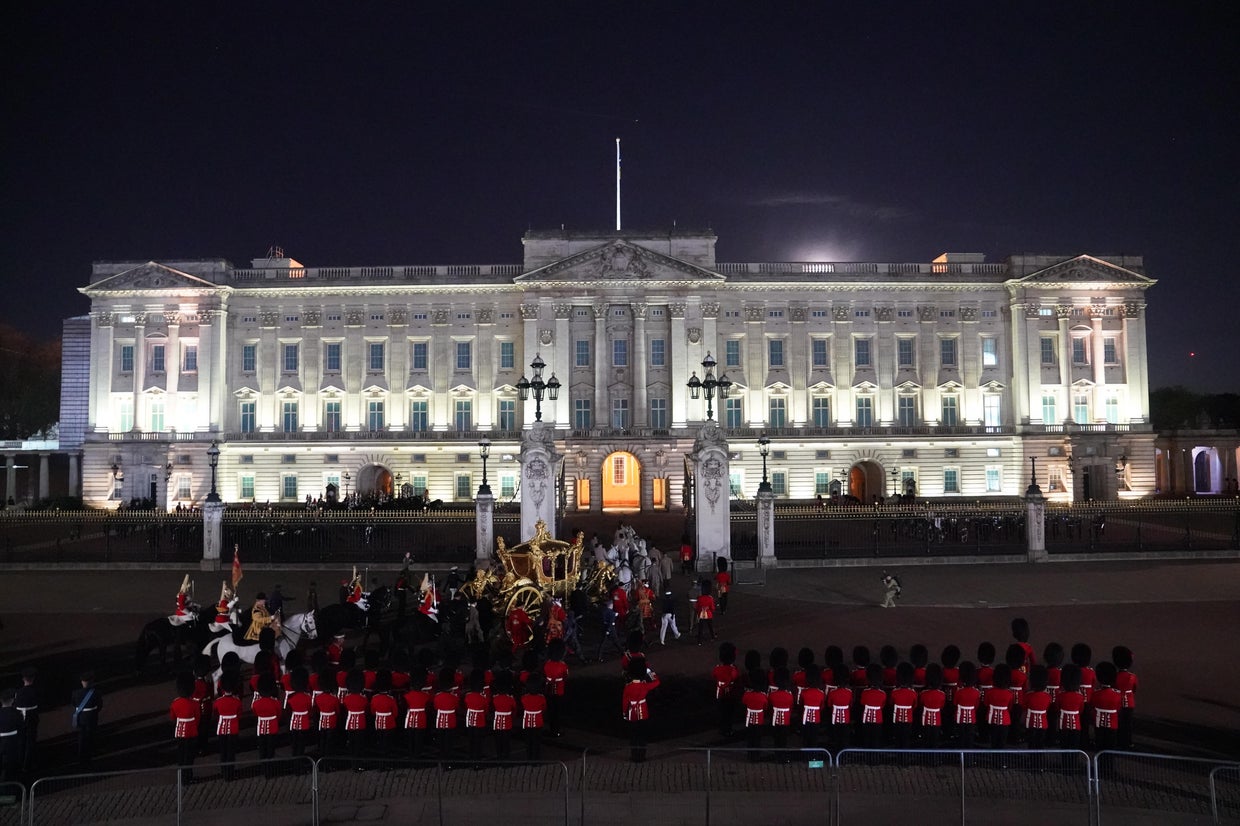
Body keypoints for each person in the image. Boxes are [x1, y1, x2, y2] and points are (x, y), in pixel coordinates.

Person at [623, 658, 660, 763]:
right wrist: (649, 671)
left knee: (633, 735)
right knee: (642, 735)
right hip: (643, 711)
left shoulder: (628, 687)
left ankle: (634, 755)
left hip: (631, 713)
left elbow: (625, 701)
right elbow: (657, 681)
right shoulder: (644, 686)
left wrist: (625, 714)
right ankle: (642, 756)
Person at [169, 671, 201, 784]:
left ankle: (182, 777)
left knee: (181, 756)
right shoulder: (195, 704)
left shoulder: (175, 703)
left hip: (180, 732)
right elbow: (197, 718)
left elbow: (173, 717)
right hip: (191, 732)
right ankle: (188, 778)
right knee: (189, 757)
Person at [213, 671, 242, 780]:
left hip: (221, 729)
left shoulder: (218, 702)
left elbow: (216, 714)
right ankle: (230, 773)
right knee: (231, 752)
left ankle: (224, 772)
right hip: (233, 729)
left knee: (223, 752)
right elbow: (239, 714)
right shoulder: (237, 701)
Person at [70, 671, 102, 767]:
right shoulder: (96, 693)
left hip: (80, 718)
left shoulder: (75, 693)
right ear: (91, 681)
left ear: (82, 682)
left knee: (81, 738)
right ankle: (89, 757)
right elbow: (99, 706)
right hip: (92, 717)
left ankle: (81, 758)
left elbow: (74, 704)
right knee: (90, 737)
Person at [252, 674, 282, 778]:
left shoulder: (256, 703)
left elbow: (255, 714)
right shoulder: (276, 702)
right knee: (270, 750)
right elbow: (278, 714)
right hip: (273, 728)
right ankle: (270, 771)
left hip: (260, 729)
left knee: (262, 750)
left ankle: (264, 769)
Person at [402, 666, 431, 760]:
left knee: (411, 738)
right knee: (419, 739)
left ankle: (411, 755)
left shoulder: (407, 695)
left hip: (410, 718)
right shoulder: (425, 696)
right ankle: (417, 756)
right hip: (421, 719)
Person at [1112, 646, 1138, 749]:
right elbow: (1134, 689)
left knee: (1118, 723)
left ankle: (1117, 740)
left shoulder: (1115, 675)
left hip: (1117, 702)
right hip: (1129, 703)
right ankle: (1127, 742)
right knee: (1127, 724)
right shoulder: (1132, 676)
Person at [712, 643, 741, 738]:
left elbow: (714, 676)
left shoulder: (717, 668)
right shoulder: (733, 670)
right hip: (730, 695)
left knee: (722, 713)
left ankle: (722, 729)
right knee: (729, 714)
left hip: (720, 695)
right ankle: (728, 730)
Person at [15, 667, 38, 775]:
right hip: (32, 717)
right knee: (30, 741)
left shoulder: (18, 692)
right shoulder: (35, 691)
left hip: (20, 718)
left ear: (23, 679)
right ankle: (27, 764)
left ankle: (20, 762)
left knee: (21, 741)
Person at [287, 668, 314, 758]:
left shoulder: (291, 697)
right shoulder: (307, 697)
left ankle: (296, 765)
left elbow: (288, 712)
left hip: (293, 724)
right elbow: (310, 710)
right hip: (304, 723)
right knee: (301, 746)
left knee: (295, 745)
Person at [490, 671, 517, 761]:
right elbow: (514, 709)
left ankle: (499, 756)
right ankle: (506, 758)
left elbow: (492, 709)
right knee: (506, 741)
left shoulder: (495, 698)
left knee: (498, 741)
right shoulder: (510, 699)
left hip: (497, 722)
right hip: (508, 722)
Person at [521, 672, 547, 760]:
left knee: (529, 741)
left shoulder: (524, 697)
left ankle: (529, 758)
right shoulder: (541, 697)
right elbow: (544, 708)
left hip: (527, 721)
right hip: (538, 721)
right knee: (537, 741)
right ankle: (536, 758)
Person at [0, 689, 21, 783]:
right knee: (12, 768)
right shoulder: (16, 713)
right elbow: (21, 726)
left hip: (1, 743)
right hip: (13, 743)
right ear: (12, 700)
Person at [695, 579, 717, 645]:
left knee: (700, 628)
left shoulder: (699, 598)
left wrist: (699, 613)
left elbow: (697, 607)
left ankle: (699, 641)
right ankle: (712, 637)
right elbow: (712, 608)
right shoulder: (710, 598)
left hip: (701, 614)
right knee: (710, 626)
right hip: (708, 614)